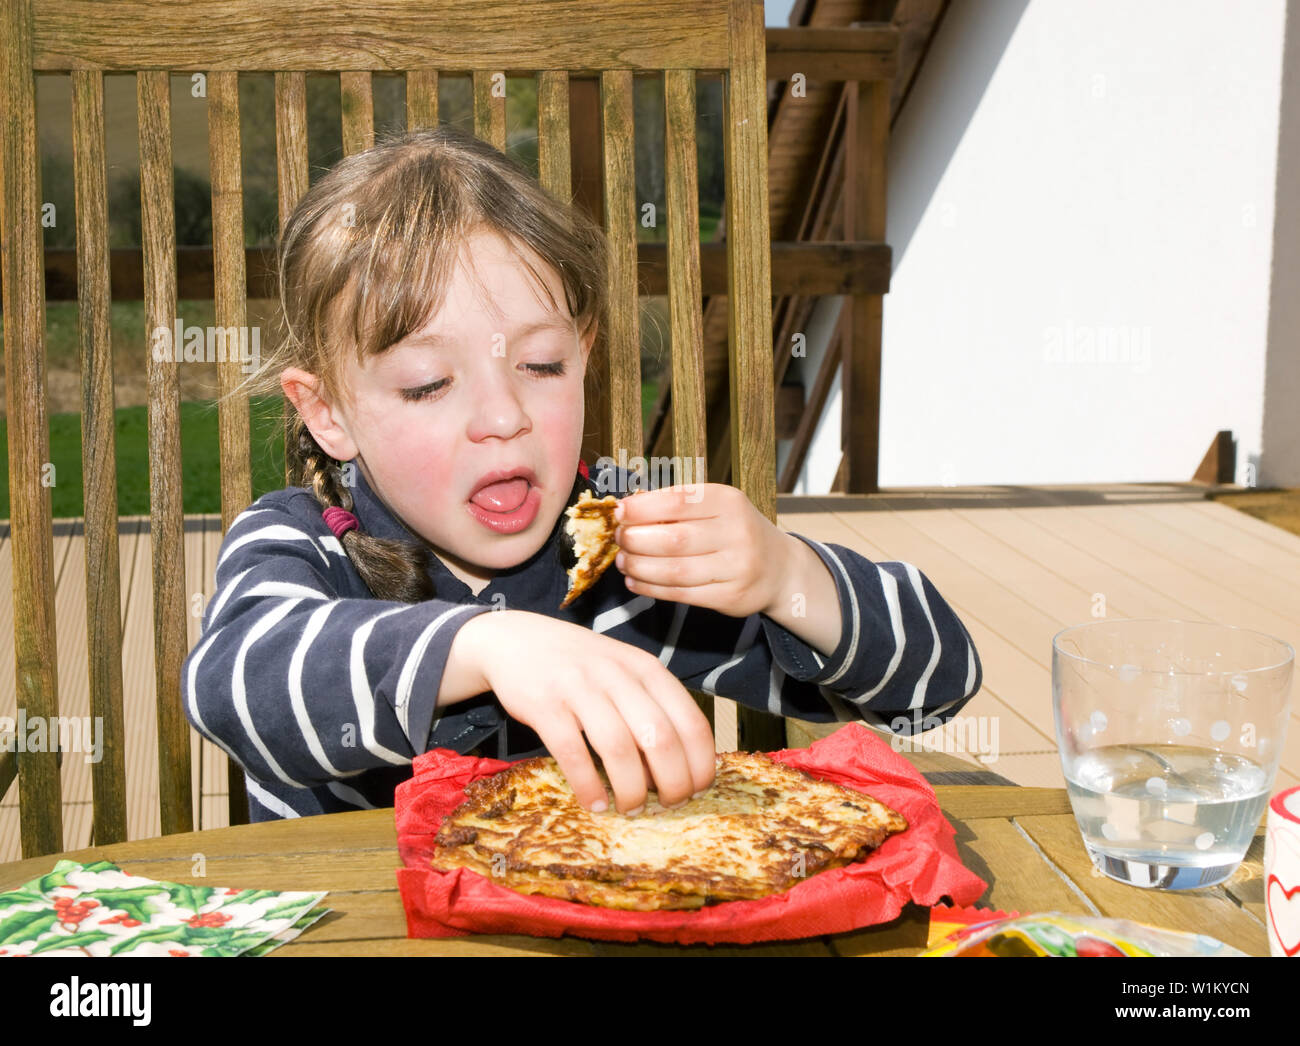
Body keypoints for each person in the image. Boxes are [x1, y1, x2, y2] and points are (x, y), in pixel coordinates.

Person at [184, 124, 984, 823]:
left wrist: (787, 576)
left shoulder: (629, 560)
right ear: (328, 413)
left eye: (541, 364)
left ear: (586, 355)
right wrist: (484, 645)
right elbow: (233, 685)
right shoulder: (303, 543)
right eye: (428, 384)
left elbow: (937, 685)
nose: (503, 417)